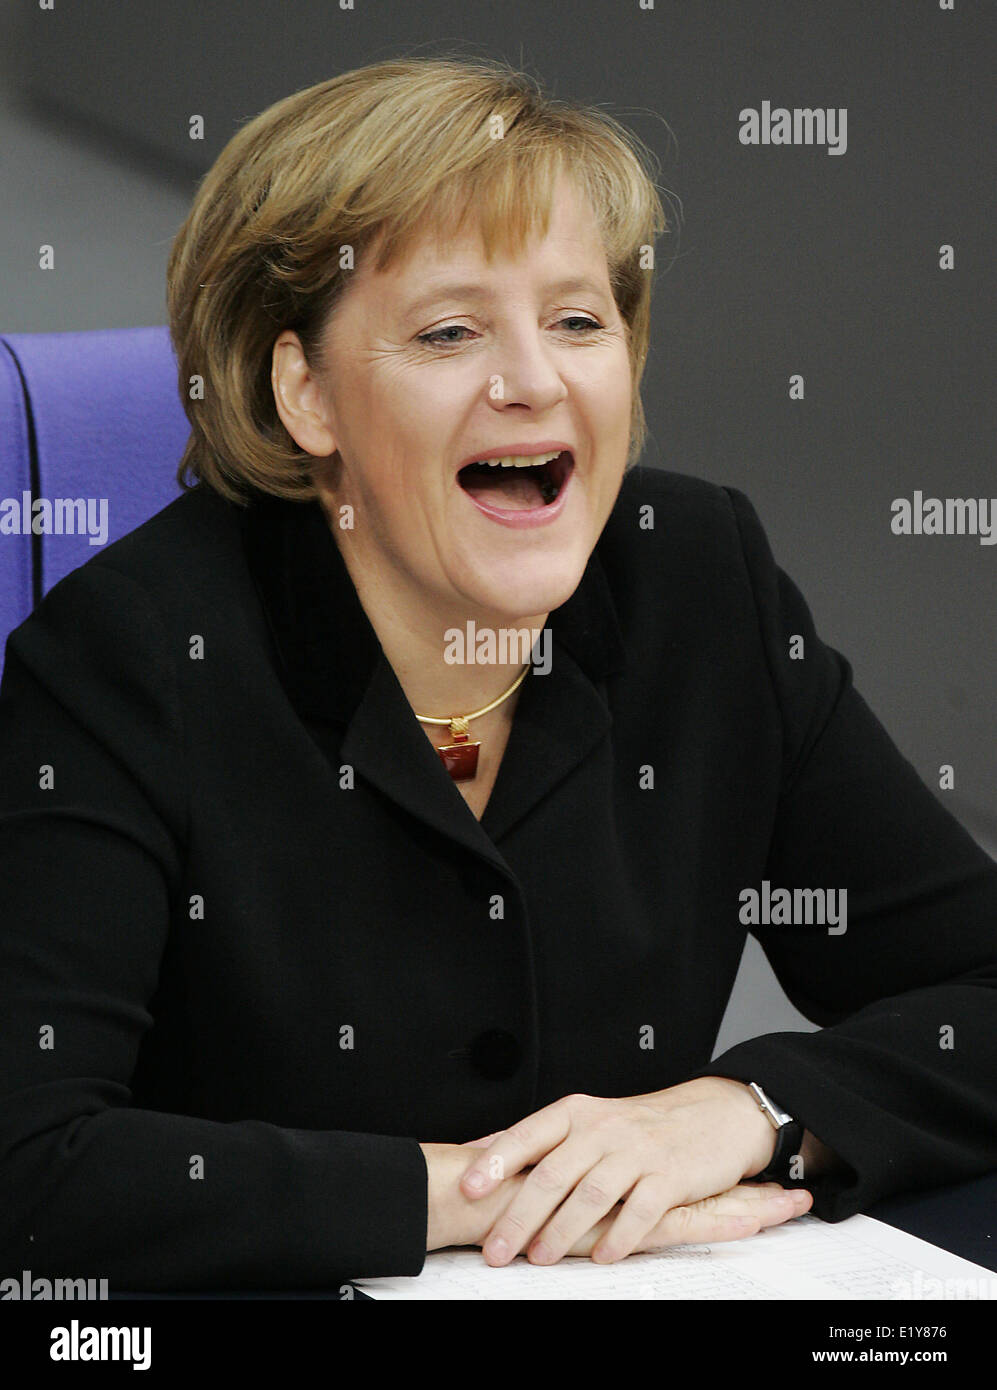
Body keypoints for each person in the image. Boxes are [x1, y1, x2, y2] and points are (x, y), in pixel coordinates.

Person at [1, 55, 995, 1294]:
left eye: (578, 320)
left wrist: (750, 1107)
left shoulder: (699, 580)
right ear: (302, 391)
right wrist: (481, 1193)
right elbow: (34, 1165)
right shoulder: (130, 654)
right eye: (449, 330)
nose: (533, 379)